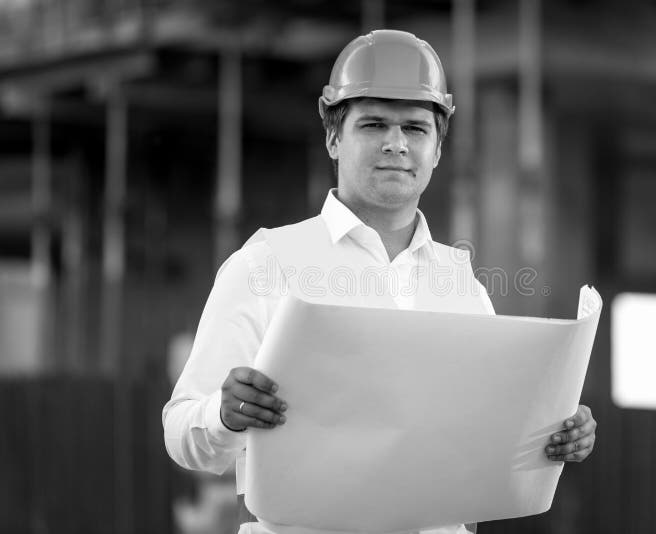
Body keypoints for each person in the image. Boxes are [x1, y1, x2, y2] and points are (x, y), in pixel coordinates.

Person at [163, 29, 597, 534]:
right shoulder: (266, 265)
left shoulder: (463, 288)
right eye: (373, 124)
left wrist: (554, 436)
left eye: (415, 128)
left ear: (437, 149)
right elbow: (181, 433)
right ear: (332, 138)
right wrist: (225, 414)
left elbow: (488, 441)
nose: (396, 144)